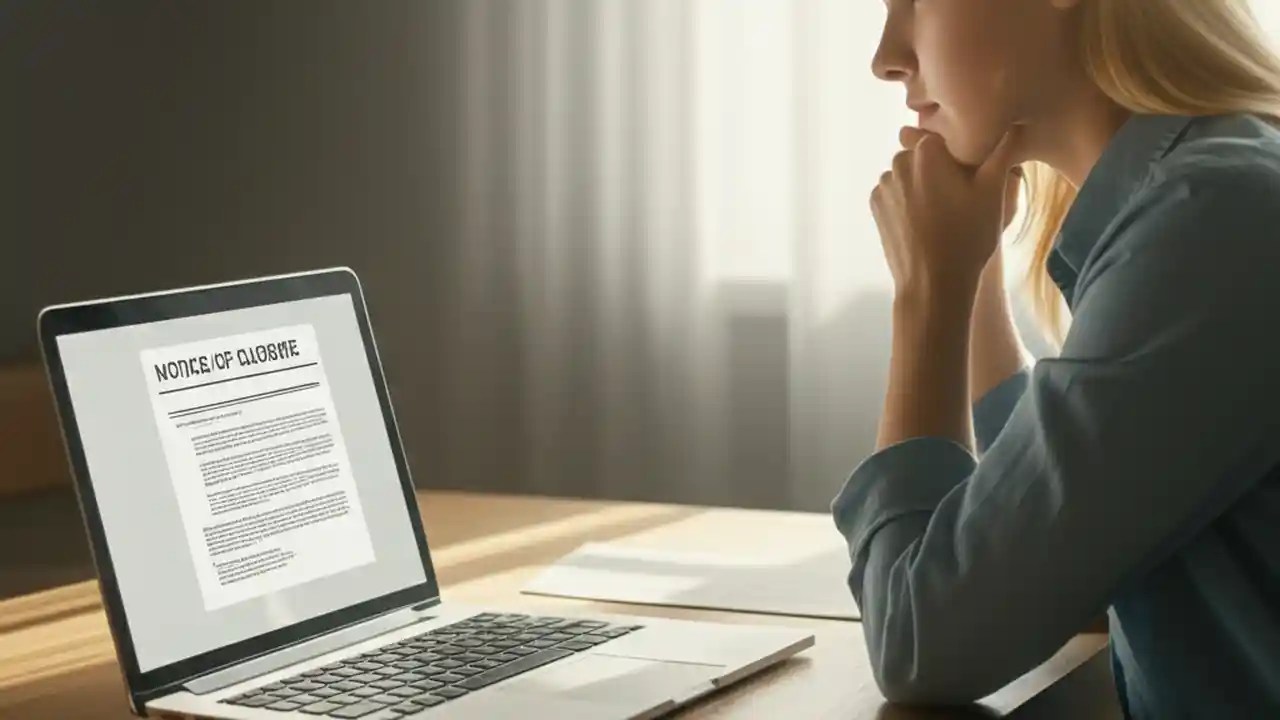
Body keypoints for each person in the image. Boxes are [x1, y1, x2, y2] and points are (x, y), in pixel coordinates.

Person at [830, 1, 1280, 717]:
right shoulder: (1217, 186)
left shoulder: (1214, 217)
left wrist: (927, 296)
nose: (886, 58)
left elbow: (922, 642)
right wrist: (967, 267)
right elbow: (1057, 535)